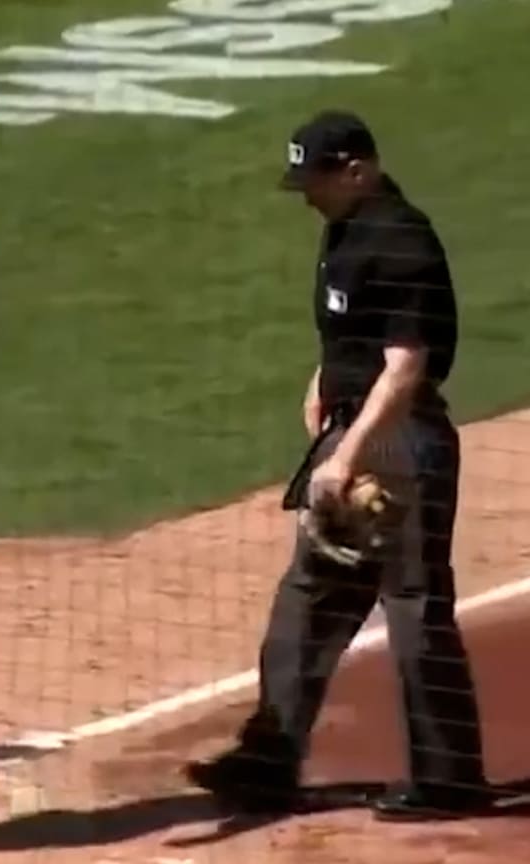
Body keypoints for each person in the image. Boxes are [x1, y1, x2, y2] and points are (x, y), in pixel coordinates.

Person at [185, 110, 491, 821]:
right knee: (310, 598)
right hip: (354, 426)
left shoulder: (402, 240)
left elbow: (407, 366)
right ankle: (267, 761)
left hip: (401, 440)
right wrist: (322, 391)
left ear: (358, 168)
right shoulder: (346, 228)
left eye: (317, 179)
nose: (307, 194)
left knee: (413, 605)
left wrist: (349, 455)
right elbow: (350, 336)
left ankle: (449, 776)